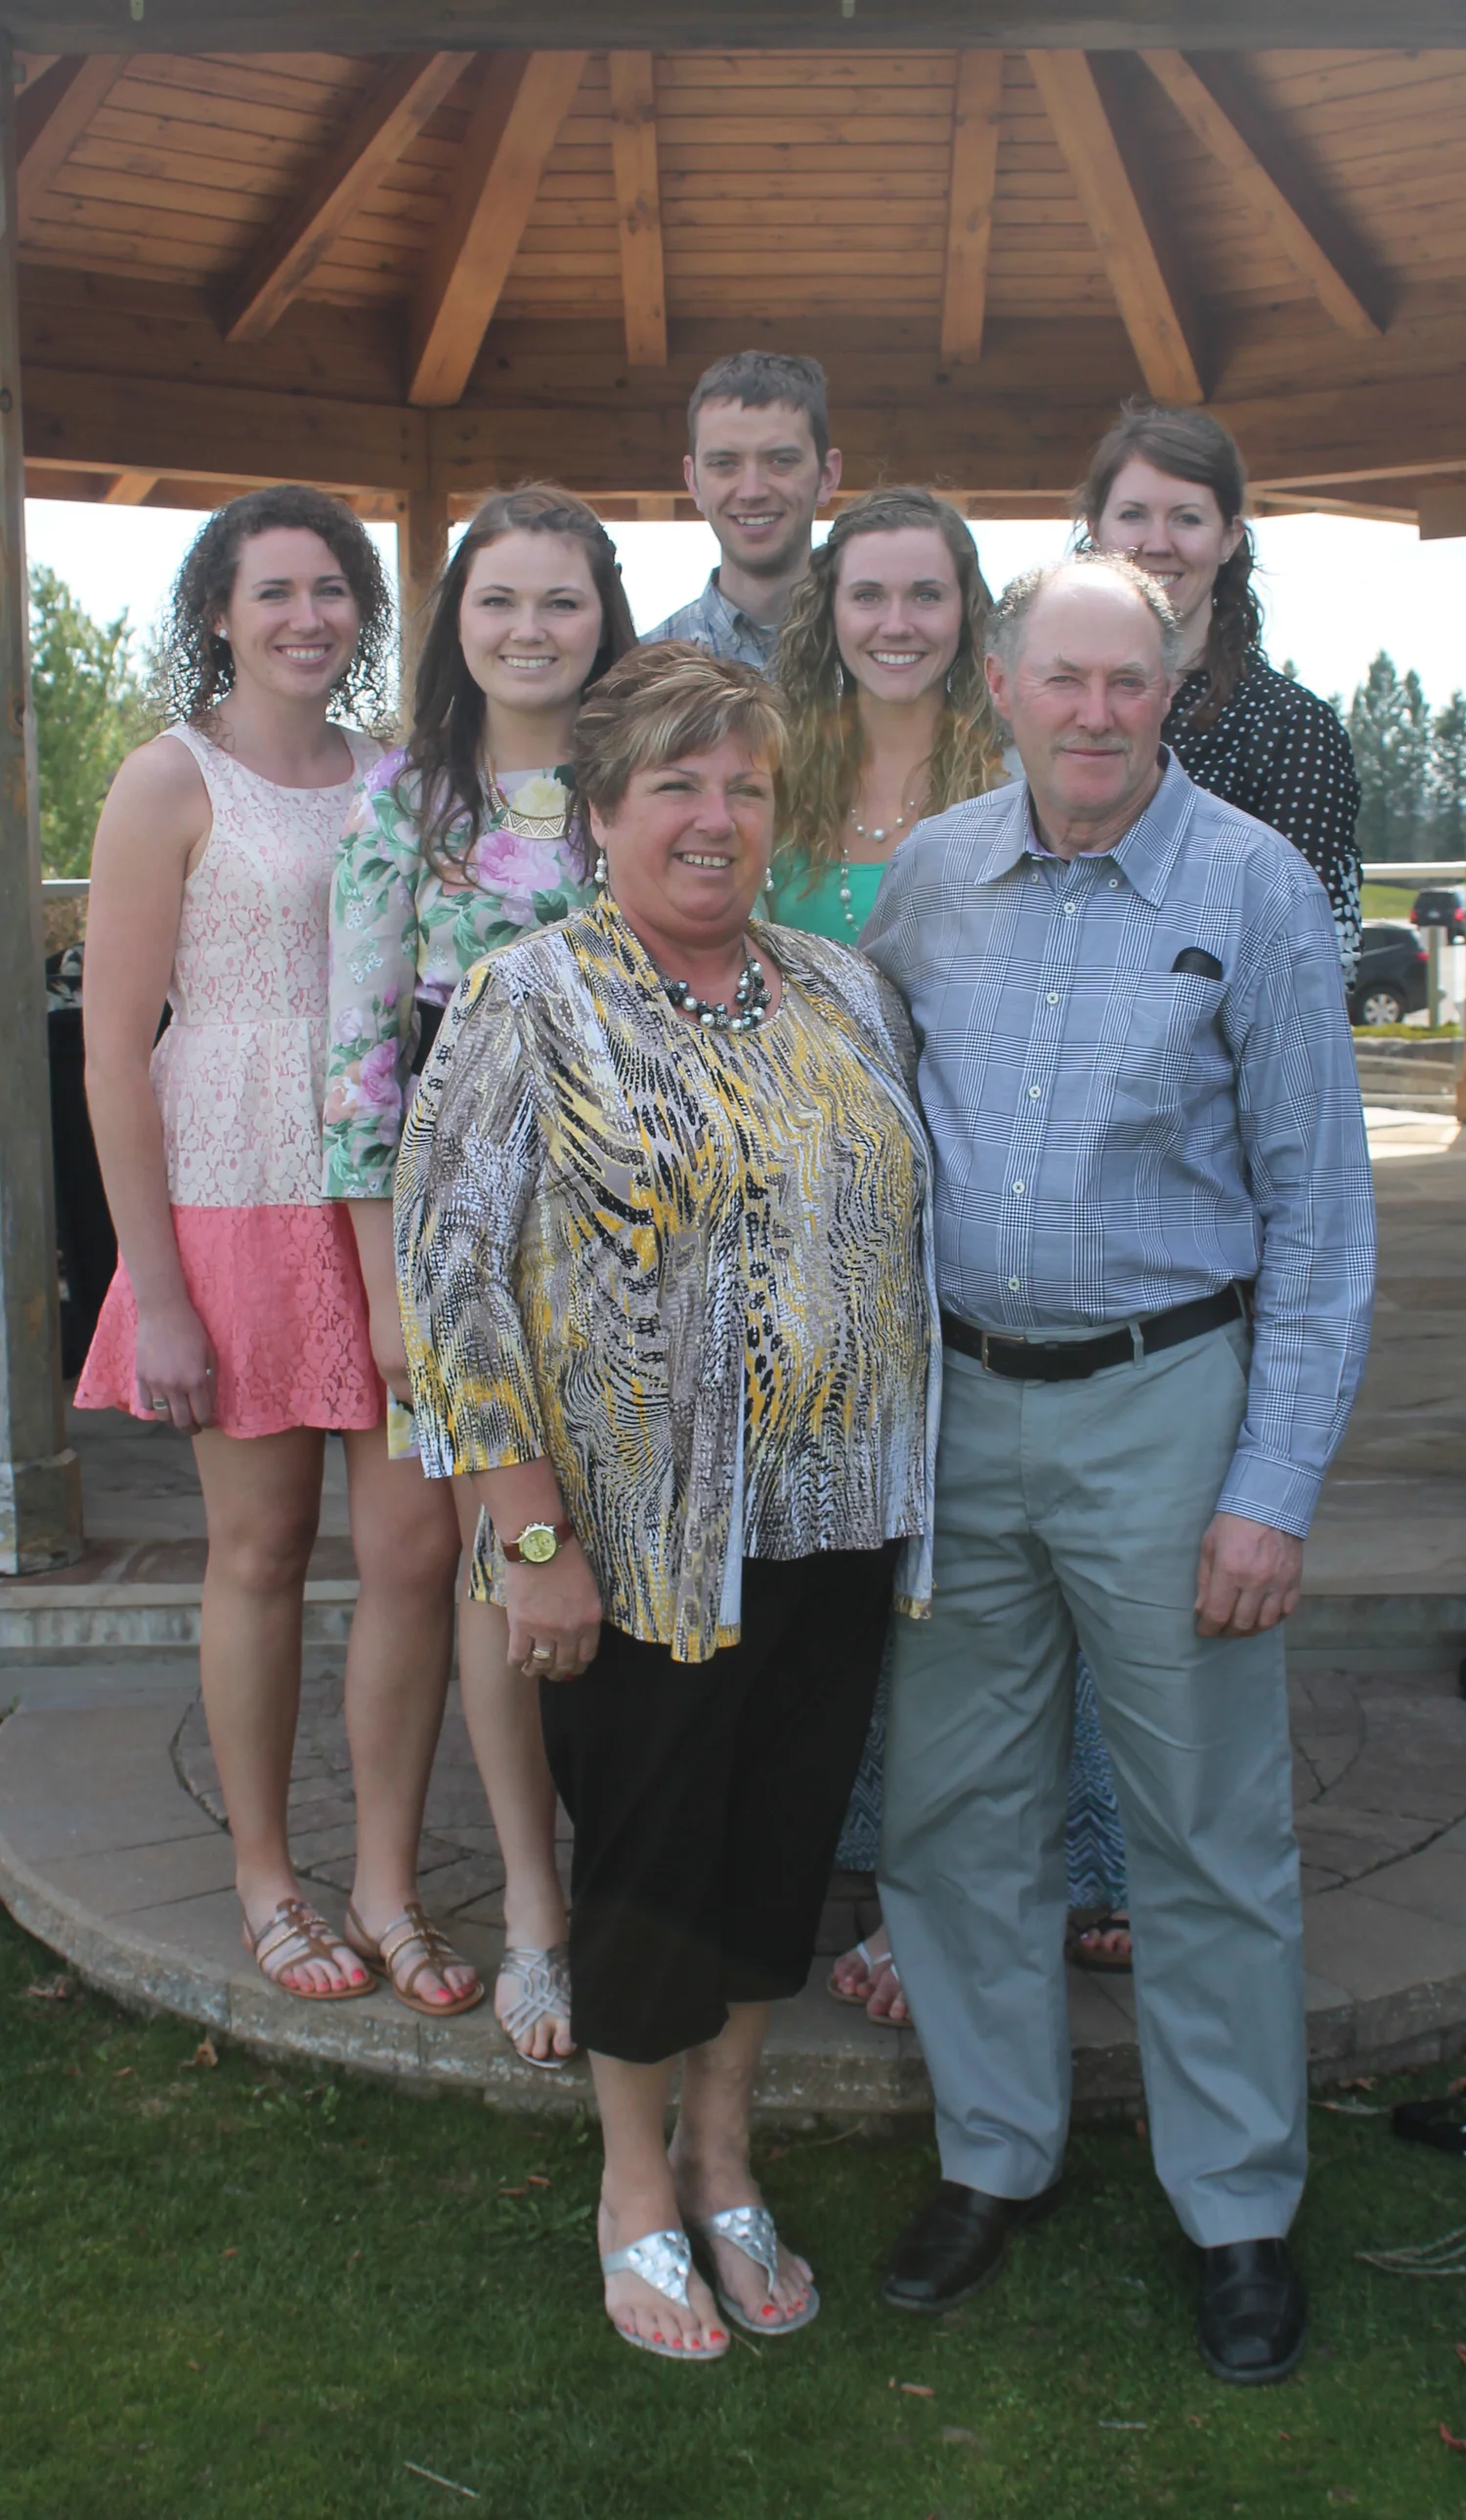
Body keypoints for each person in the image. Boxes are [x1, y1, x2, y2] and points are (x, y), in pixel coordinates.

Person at [396, 644, 940, 2361]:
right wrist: (530, 1534)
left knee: (774, 1855)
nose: (716, 817)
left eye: (747, 785)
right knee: (646, 1868)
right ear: (604, 811)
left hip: (835, 1520)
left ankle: (725, 2150)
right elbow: (455, 1277)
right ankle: (633, 2178)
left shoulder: (847, 988)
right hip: (634, 1545)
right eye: (678, 786)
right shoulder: (527, 998)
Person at [868, 555, 1374, 2385]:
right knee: (955, 1808)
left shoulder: (1250, 888)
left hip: (1171, 1404)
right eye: (1063, 677)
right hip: (961, 1409)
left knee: (1205, 1831)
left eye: (1130, 682)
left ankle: (1238, 2202)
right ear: (1001, 681)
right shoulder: (930, 878)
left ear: (1176, 689)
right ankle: (994, 2152)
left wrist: (1275, 1485)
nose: (1096, 711)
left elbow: (1323, 1222)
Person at [77, 488, 477, 2017]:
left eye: (334, 589)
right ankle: (264, 1872)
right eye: (275, 591)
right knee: (254, 1552)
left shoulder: (400, 780)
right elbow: (115, 1054)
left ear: (365, 613)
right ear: (220, 611)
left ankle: (386, 1874)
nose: (308, 615)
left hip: (381, 1201)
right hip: (231, 1196)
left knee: (414, 1553)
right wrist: (156, 1289)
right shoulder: (167, 781)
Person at [323, 484, 636, 2065]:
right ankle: (535, 1907)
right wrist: (388, 1295)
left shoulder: (649, 777)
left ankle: (653, 1878)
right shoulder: (406, 802)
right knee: (502, 1561)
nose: (528, 627)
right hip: (465, 1245)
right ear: (456, 621)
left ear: (605, 615)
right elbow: (364, 1069)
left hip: (644, 1235)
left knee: (637, 1558)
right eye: (498, 599)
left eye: (559, 599)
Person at [1061, 402, 1367, 1974]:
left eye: (1190, 515)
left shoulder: (1287, 733)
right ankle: (1072, 1867)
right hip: (1054, 1230)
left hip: (1200, 1236)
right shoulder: (1060, 716)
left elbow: (1289, 1005)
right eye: (1134, 513)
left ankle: (1159, 1882)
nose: (1162, 537)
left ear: (1232, 538)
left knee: (1184, 1599)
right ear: (1091, 531)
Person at [766, 485, 1003, 2021]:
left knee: (966, 1581)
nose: (898, 622)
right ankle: (817, 1861)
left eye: (926, 594)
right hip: (792, 1231)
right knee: (825, 1561)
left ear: (967, 611)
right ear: (829, 607)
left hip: (972, 1227)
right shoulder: (780, 775)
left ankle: (955, 1887)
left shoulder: (1017, 770)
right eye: (870, 594)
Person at [642, 350, 841, 667]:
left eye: (781, 461)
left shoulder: (881, 652)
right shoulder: (645, 672)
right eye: (724, 463)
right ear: (693, 481)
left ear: (827, 476)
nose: (752, 491)